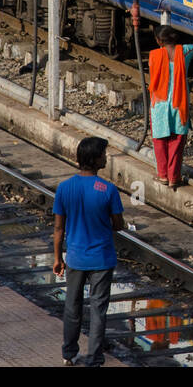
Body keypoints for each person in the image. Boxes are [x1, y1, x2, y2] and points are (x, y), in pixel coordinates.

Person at [53, 136, 126, 367]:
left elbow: (58, 228)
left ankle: (69, 353)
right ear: (95, 160)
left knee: (72, 307)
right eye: (103, 155)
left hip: (75, 257)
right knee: (98, 310)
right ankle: (94, 358)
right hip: (102, 259)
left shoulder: (64, 188)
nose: (106, 158)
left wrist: (57, 257)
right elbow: (118, 224)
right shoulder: (109, 190)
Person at [148, 24, 193, 188]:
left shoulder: (154, 55)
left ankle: (163, 175)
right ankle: (174, 177)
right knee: (177, 140)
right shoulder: (186, 51)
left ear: (159, 41)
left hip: (159, 103)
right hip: (179, 103)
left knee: (160, 141)